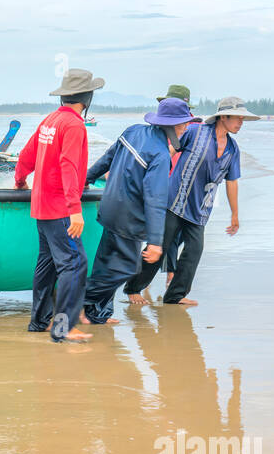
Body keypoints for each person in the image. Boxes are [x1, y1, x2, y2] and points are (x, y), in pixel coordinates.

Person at [124, 96, 257, 306]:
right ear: (224, 117)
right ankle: (133, 288)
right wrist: (151, 175)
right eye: (238, 118)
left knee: (194, 251)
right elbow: (168, 151)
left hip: (200, 209)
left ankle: (175, 296)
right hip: (174, 202)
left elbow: (232, 182)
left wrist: (235, 215)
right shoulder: (196, 132)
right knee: (159, 247)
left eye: (243, 119)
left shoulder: (233, 149)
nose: (241, 122)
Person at [81, 98, 200, 325]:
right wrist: (155, 242)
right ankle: (79, 302)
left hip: (109, 208)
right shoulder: (160, 155)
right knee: (126, 268)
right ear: (172, 125)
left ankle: (97, 314)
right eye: (184, 123)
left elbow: (108, 157)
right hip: (128, 219)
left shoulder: (134, 131)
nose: (186, 127)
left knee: (105, 263)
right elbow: (155, 200)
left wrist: (86, 178)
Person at [14, 68, 103, 342]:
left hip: (41, 206)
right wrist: (75, 210)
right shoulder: (74, 125)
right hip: (59, 209)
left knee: (47, 265)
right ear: (86, 98)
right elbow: (68, 165)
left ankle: (38, 322)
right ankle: (63, 328)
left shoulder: (50, 120)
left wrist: (19, 180)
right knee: (75, 263)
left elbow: (28, 154)